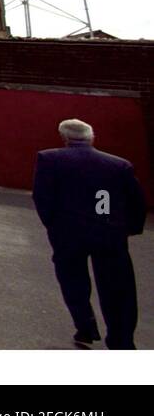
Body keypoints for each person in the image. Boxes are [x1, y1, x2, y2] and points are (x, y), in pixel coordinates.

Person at [32, 119, 146, 349]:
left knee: (73, 281)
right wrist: (129, 228)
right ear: (92, 137)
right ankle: (121, 340)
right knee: (118, 288)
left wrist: (53, 225)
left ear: (64, 138)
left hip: (68, 233)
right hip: (109, 233)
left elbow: (42, 197)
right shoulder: (119, 165)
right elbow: (137, 202)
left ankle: (85, 327)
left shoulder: (49, 159)